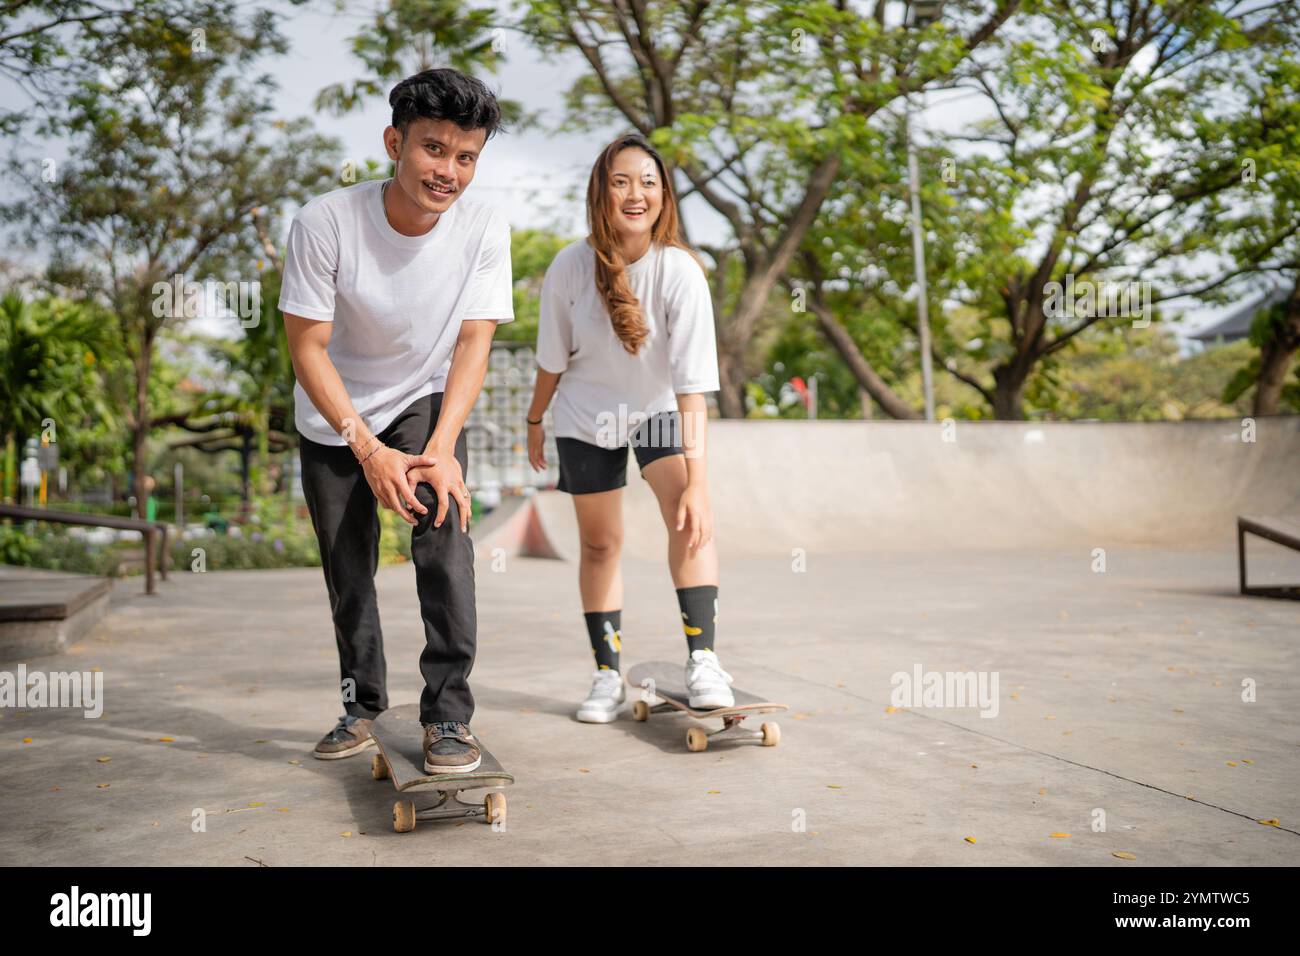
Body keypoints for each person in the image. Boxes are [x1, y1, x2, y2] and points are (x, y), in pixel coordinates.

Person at [280, 68, 513, 772]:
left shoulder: (482, 224)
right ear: (394, 143)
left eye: (465, 157)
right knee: (348, 570)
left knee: (445, 544)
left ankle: (448, 715)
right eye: (434, 150)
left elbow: (475, 338)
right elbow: (306, 346)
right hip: (336, 413)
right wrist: (366, 448)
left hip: (424, 398)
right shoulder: (326, 222)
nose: (448, 171)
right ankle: (361, 704)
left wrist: (440, 449)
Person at [526, 133, 732, 724]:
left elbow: (693, 385)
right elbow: (551, 360)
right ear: (601, 192)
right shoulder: (569, 265)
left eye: (648, 182)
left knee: (688, 522)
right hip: (585, 417)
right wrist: (535, 420)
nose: (635, 193)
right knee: (599, 545)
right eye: (621, 181)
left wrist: (698, 480)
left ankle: (705, 660)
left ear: (663, 196)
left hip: (658, 412)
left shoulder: (680, 272)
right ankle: (606, 675)